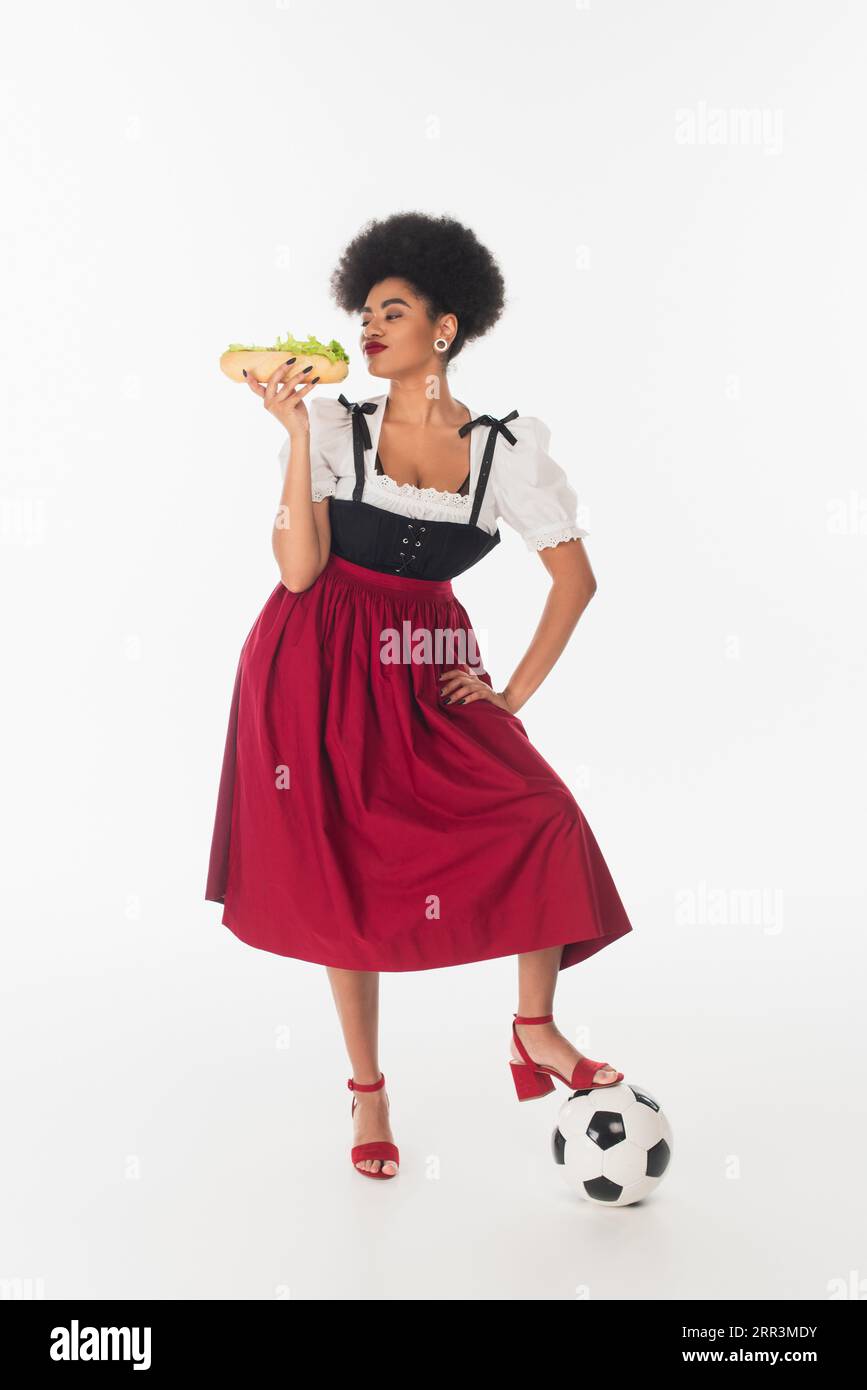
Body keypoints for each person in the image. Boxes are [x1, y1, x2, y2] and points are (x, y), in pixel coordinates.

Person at [205, 212, 634, 1180]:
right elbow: (301, 568)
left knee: (541, 815)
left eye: (390, 311)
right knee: (339, 872)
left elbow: (576, 580)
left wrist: (510, 697)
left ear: (445, 328)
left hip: (429, 659)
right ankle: (367, 1090)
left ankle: (535, 1028)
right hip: (308, 659)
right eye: (362, 312)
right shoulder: (327, 423)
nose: (368, 326)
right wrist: (288, 437)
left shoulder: (503, 452)